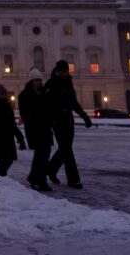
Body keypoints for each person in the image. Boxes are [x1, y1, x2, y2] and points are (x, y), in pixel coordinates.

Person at [44, 59, 93, 189]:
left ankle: (50, 169)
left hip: (68, 119)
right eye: (63, 71)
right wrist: (50, 120)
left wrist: (84, 116)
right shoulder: (51, 83)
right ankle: (73, 179)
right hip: (57, 121)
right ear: (58, 71)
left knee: (65, 149)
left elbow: (73, 101)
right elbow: (46, 105)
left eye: (67, 71)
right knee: (67, 150)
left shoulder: (68, 82)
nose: (65, 73)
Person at [18, 68, 53, 191]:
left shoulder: (45, 93)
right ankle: (41, 180)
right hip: (34, 129)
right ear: (31, 81)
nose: (38, 82)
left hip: (45, 128)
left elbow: (50, 108)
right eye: (36, 80)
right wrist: (32, 117)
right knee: (40, 154)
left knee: (44, 154)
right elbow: (24, 112)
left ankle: (34, 177)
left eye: (39, 80)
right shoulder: (24, 94)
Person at [0, 84, 26, 176]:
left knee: (9, 160)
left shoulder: (7, 106)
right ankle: (1, 177)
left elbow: (13, 124)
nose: (5, 95)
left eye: (5, 93)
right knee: (4, 160)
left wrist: (20, 138)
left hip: (8, 137)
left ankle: (1, 176)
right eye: (2, 94)